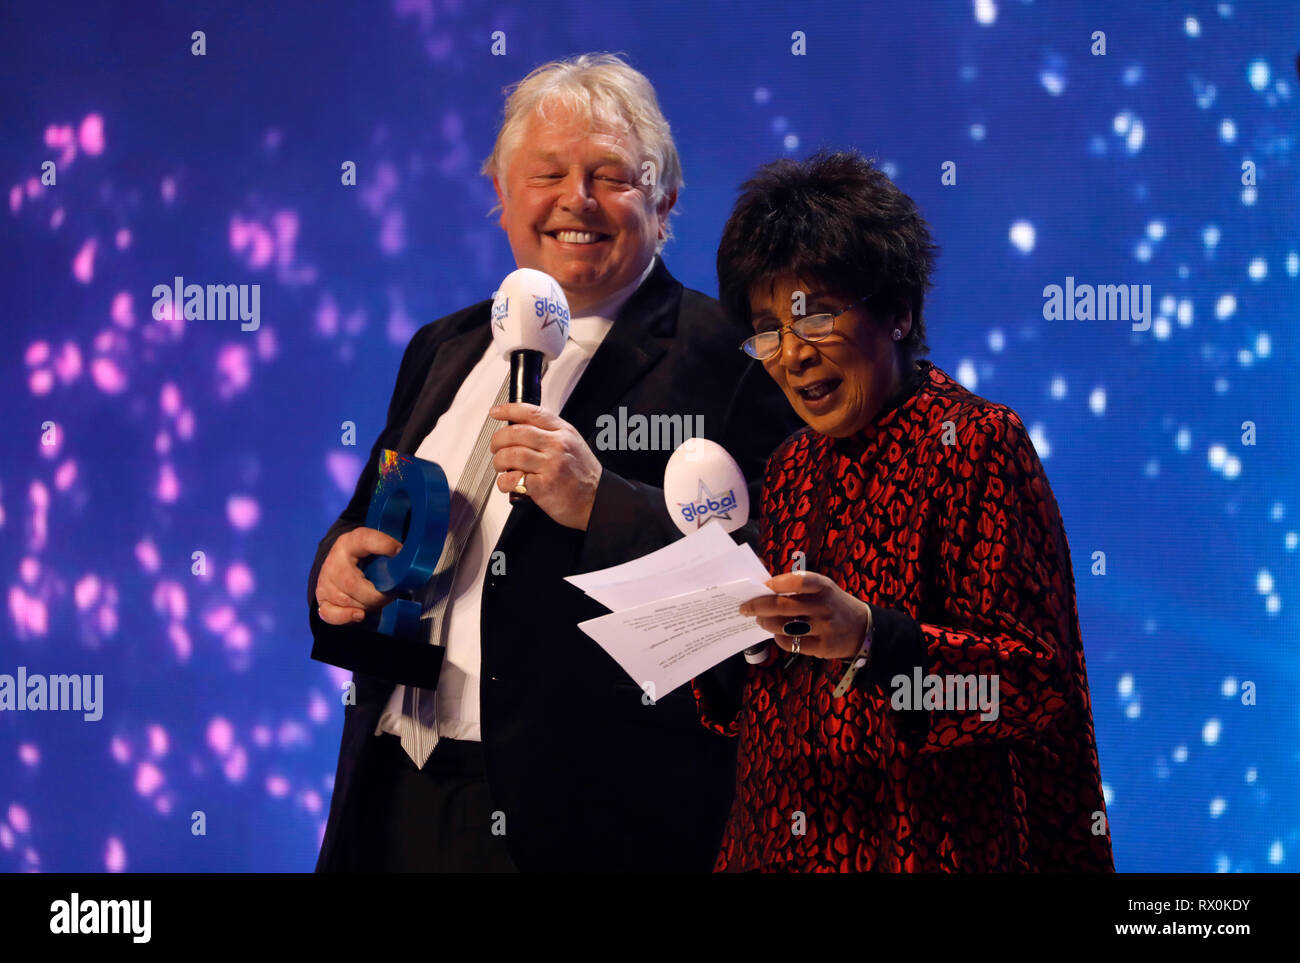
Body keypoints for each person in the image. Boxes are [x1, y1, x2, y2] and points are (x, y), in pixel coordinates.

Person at [307, 53, 800, 872]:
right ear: (502, 195)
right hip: (396, 795)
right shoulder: (443, 345)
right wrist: (335, 571)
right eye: (547, 174)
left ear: (665, 200)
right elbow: (367, 518)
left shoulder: (731, 359)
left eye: (610, 175)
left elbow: (777, 587)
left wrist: (600, 502)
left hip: (587, 829)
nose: (576, 199)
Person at [693, 151, 1115, 872]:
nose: (791, 353)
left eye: (815, 314)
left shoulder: (977, 443)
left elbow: (1032, 686)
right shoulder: (793, 465)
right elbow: (773, 699)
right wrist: (731, 645)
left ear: (898, 311)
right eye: (767, 329)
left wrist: (870, 639)